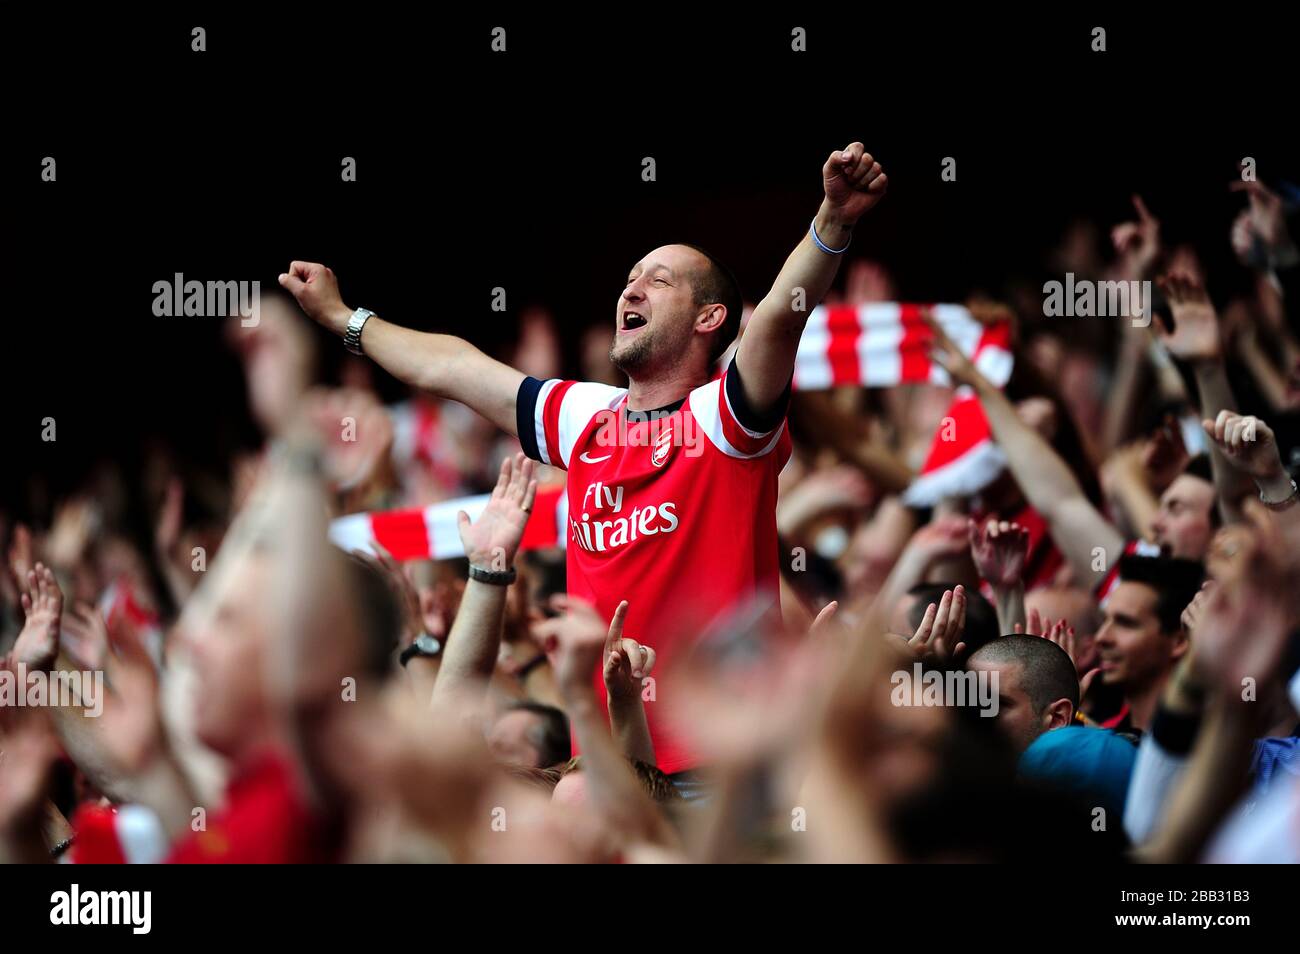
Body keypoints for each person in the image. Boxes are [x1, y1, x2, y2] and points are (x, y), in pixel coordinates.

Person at [279, 143, 889, 773]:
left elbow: (777, 324)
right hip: (597, 771)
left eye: (660, 279)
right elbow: (452, 368)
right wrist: (343, 317)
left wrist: (832, 223)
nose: (633, 285)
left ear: (710, 317)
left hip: (722, 763)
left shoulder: (726, 419)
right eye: (630, 276)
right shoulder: (585, 418)